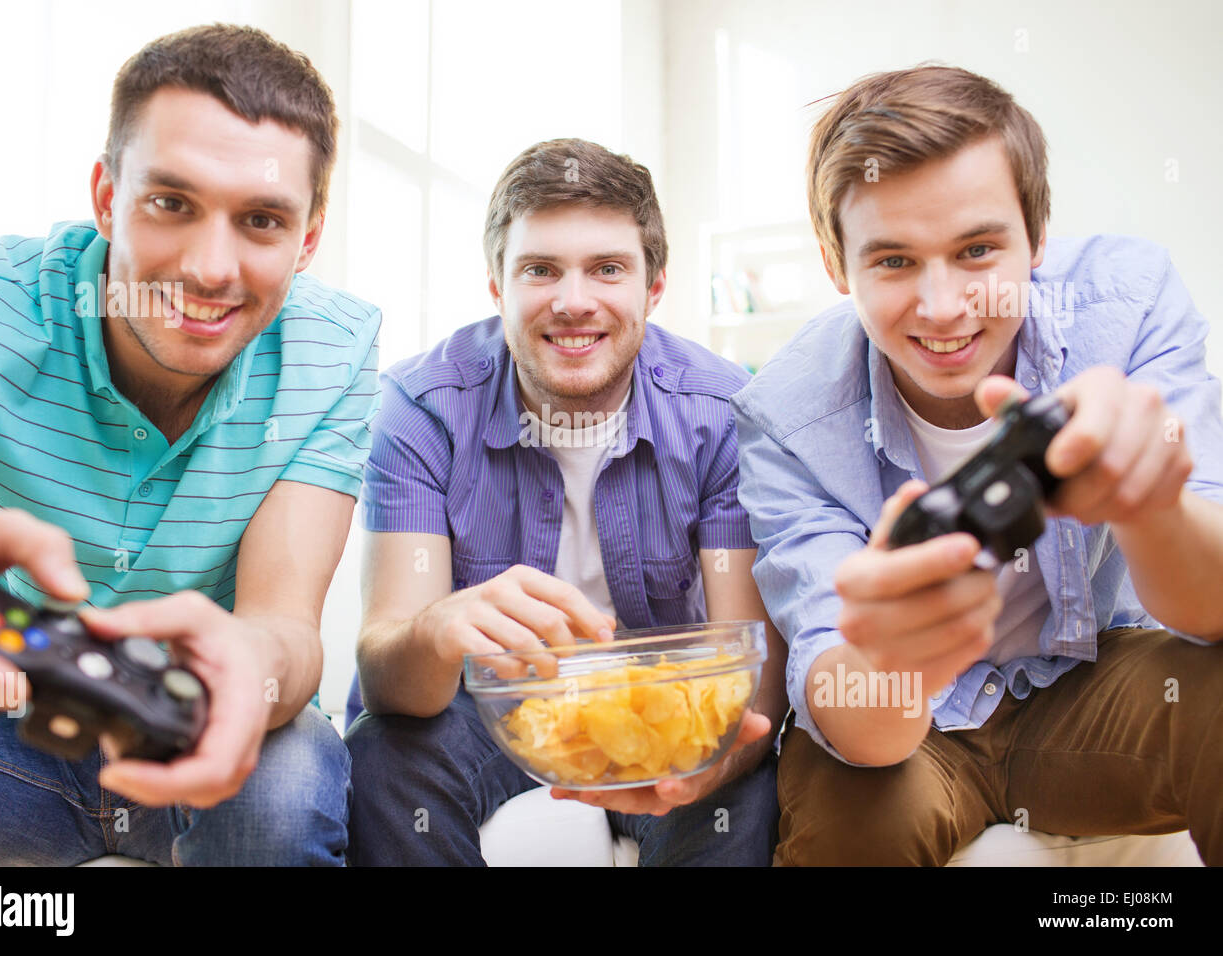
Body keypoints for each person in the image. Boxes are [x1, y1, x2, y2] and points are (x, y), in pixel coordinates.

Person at [732, 65, 1223, 865]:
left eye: (977, 250)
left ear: (1036, 235)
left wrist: (1148, 504)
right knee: (852, 816)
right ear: (835, 263)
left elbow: (1210, 612)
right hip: (909, 727)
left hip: (1096, 685)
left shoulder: (1126, 305)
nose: (943, 306)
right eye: (892, 261)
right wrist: (891, 655)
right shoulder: (784, 414)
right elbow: (849, 710)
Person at [0, 24, 380, 866]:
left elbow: (283, 621)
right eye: (171, 203)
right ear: (106, 197)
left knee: (290, 774)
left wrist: (247, 670)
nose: (210, 269)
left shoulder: (337, 349)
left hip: (201, 736)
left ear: (308, 239)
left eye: (261, 220)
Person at [345, 138, 787, 866]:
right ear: (496, 283)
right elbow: (388, 679)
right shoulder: (420, 406)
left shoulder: (723, 412)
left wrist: (707, 766)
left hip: (660, 708)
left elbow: (749, 682)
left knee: (743, 787)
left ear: (654, 284)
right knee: (383, 757)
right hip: (479, 708)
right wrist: (436, 628)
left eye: (607, 269)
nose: (573, 301)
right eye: (540, 269)